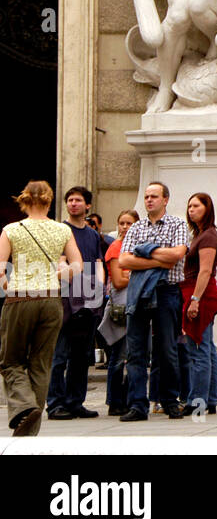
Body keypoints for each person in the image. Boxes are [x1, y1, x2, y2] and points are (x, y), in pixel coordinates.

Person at [0, 180, 83, 435]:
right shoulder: (62, 230)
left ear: (24, 200)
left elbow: (0, 268)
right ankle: (32, 421)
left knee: (11, 360)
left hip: (20, 297)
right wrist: (63, 273)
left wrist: (6, 284)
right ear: (49, 200)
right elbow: (78, 266)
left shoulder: (11, 229)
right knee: (41, 362)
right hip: (51, 299)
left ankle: (25, 407)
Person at [119, 181, 189, 421]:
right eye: (147, 196)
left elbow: (178, 254)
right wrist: (159, 258)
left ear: (165, 200)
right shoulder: (136, 227)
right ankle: (137, 405)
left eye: (154, 196)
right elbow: (124, 261)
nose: (149, 200)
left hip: (167, 291)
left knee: (167, 349)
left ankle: (169, 400)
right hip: (138, 292)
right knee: (136, 350)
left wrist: (144, 251)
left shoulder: (177, 224)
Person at [46, 185, 108, 420]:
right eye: (70, 200)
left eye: (78, 200)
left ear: (88, 205)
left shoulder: (92, 234)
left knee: (82, 356)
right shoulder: (60, 230)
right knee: (59, 354)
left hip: (89, 299)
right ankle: (55, 404)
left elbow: (99, 263)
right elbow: (59, 264)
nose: (73, 203)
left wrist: (100, 289)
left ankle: (75, 402)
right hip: (64, 298)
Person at [179, 193, 217, 415]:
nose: (191, 210)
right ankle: (210, 398)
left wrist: (195, 300)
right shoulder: (201, 234)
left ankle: (197, 401)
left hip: (200, 293)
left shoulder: (208, 237)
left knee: (197, 348)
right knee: (206, 347)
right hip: (199, 292)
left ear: (207, 208)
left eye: (196, 206)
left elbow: (205, 270)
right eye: (189, 206)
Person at [99, 210, 138, 415]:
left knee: (134, 356)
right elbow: (118, 280)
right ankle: (114, 401)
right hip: (121, 308)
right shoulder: (116, 247)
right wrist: (139, 275)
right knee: (118, 356)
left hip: (137, 305)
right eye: (121, 223)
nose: (124, 227)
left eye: (129, 223)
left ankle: (129, 398)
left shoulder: (138, 247)